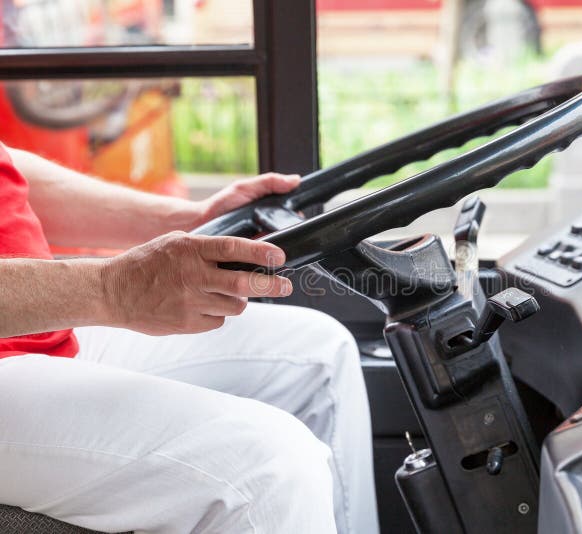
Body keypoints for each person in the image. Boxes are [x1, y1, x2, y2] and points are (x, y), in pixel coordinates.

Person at [0, 144, 379, 533]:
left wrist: (187, 219)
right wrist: (111, 289)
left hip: (36, 328)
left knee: (318, 353)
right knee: (268, 467)